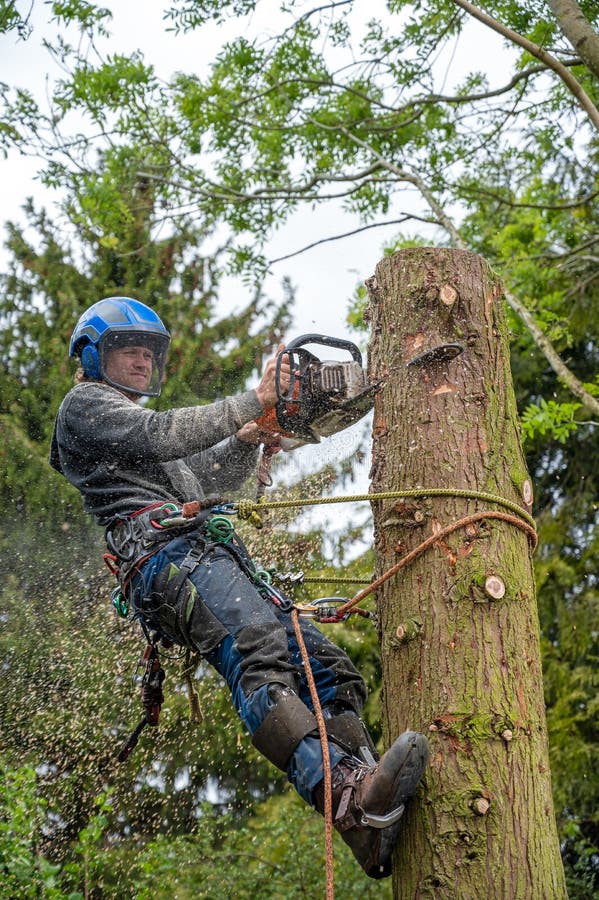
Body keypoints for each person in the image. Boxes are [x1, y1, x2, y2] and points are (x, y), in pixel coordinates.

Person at [50, 295, 428, 879]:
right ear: (93, 355)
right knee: (258, 647)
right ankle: (348, 806)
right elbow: (166, 434)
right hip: (164, 559)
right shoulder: (87, 406)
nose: (142, 362)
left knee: (325, 665)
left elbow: (199, 476)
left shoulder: (133, 434)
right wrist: (256, 399)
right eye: (129, 349)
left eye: (149, 352)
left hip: (207, 551)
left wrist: (250, 438)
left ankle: (370, 796)